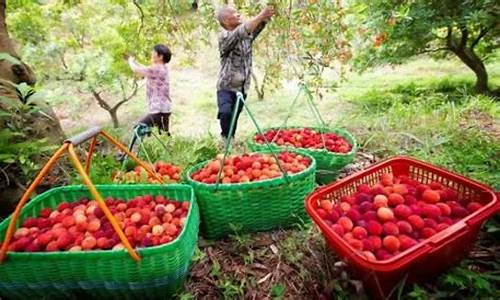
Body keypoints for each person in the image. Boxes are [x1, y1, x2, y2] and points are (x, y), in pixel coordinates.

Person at [216, 5, 274, 144]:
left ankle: (230, 140)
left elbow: (256, 28)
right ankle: (225, 139)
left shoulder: (246, 37)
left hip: (242, 87)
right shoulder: (225, 36)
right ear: (226, 21)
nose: (238, 15)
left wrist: (266, 17)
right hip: (226, 85)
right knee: (225, 112)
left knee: (234, 116)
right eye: (234, 14)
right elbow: (242, 31)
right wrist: (260, 15)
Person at [124, 44, 172, 135]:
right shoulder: (164, 68)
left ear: (160, 56)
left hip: (157, 110)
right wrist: (135, 61)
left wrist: (130, 61)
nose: (151, 54)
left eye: (154, 53)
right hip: (165, 109)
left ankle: (135, 149)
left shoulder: (156, 69)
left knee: (138, 128)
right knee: (164, 134)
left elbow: (136, 70)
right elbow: (146, 69)